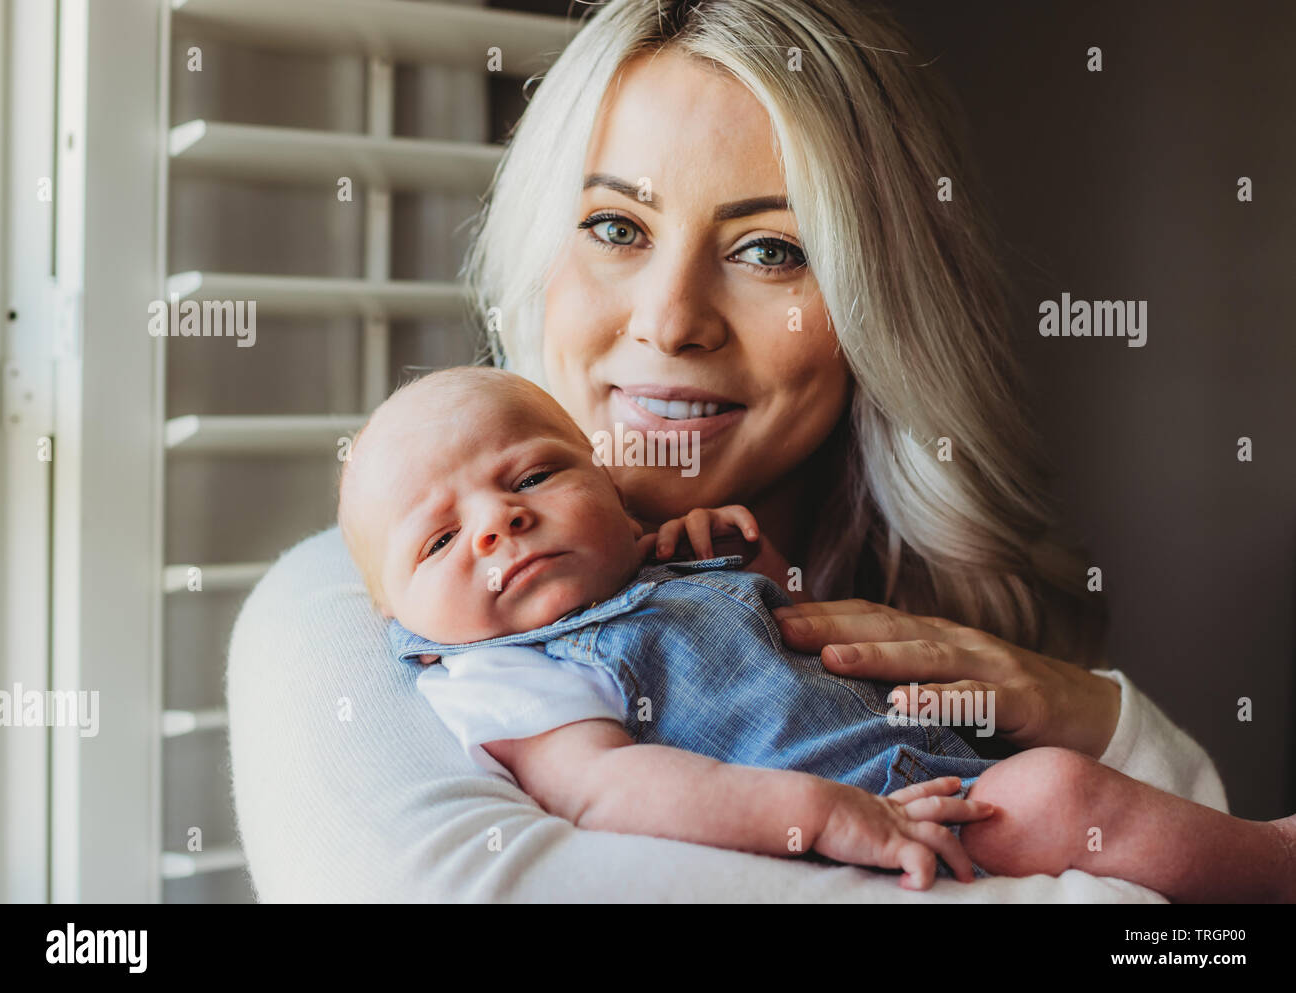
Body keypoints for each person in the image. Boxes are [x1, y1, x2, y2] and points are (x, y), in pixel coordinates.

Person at [228, 0, 1233, 902]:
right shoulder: (350, 615)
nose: (670, 322)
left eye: (769, 250)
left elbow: (1205, 860)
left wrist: (1107, 723)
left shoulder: (941, 614)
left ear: (876, 307)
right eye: (615, 226)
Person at [334, 366, 1296, 900]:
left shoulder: (661, 562)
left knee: (1071, 793)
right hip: (866, 823)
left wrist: (697, 561)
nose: (499, 524)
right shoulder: (509, 675)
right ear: (395, 619)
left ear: (608, 485)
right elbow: (613, 787)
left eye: (534, 477)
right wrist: (830, 817)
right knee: (1055, 792)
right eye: (442, 537)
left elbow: (779, 647)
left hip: (929, 777)